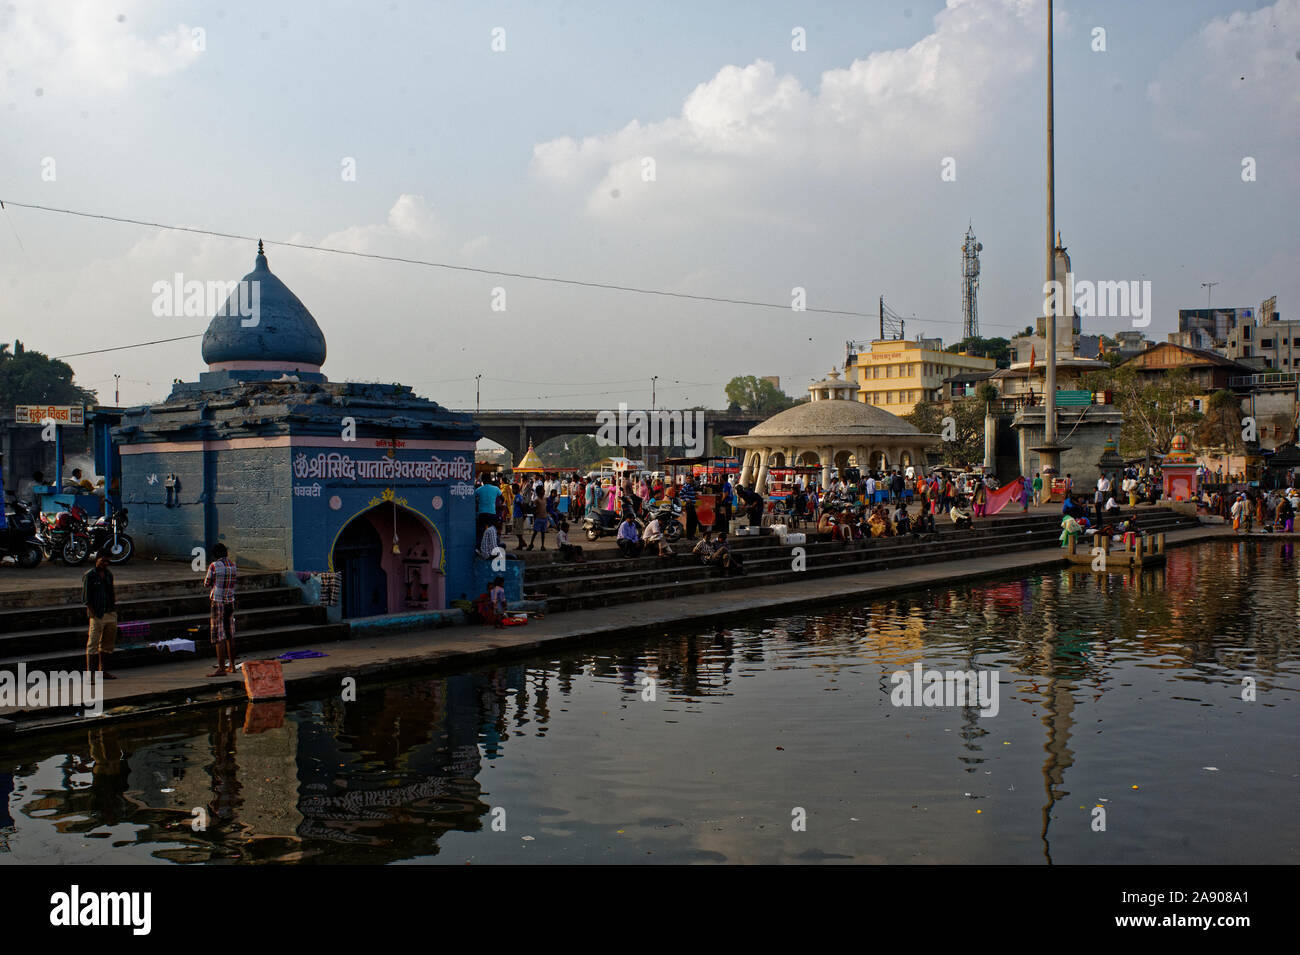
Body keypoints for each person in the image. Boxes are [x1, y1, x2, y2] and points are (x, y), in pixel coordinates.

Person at [83, 551, 118, 679]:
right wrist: (94, 614)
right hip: (97, 613)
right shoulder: (90, 575)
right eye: (103, 561)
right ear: (97, 559)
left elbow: (111, 592)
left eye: (107, 561)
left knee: (108, 644)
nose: (105, 563)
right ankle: (90, 674)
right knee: (93, 643)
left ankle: (103, 671)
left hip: (110, 611)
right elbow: (86, 599)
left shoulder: (109, 575)